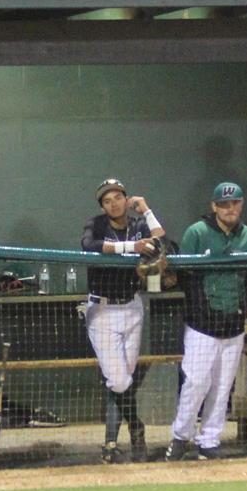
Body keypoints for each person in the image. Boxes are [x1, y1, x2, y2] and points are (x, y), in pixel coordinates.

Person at [166, 183, 247, 461]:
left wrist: (242, 306)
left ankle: (209, 439)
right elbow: (186, 276)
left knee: (223, 387)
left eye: (234, 203)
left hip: (233, 326)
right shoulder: (197, 233)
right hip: (201, 326)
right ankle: (180, 437)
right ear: (214, 206)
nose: (230, 208)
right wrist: (203, 310)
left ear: (241, 204)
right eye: (224, 204)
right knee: (196, 382)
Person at [80, 178, 166, 463]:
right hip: (102, 310)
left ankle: (115, 439)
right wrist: (131, 247)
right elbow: (88, 245)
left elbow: (160, 241)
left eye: (118, 197)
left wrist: (147, 210)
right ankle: (136, 429)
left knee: (125, 379)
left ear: (127, 199)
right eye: (108, 200)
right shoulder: (97, 224)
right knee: (118, 381)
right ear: (102, 206)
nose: (114, 203)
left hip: (132, 307)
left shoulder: (138, 224)